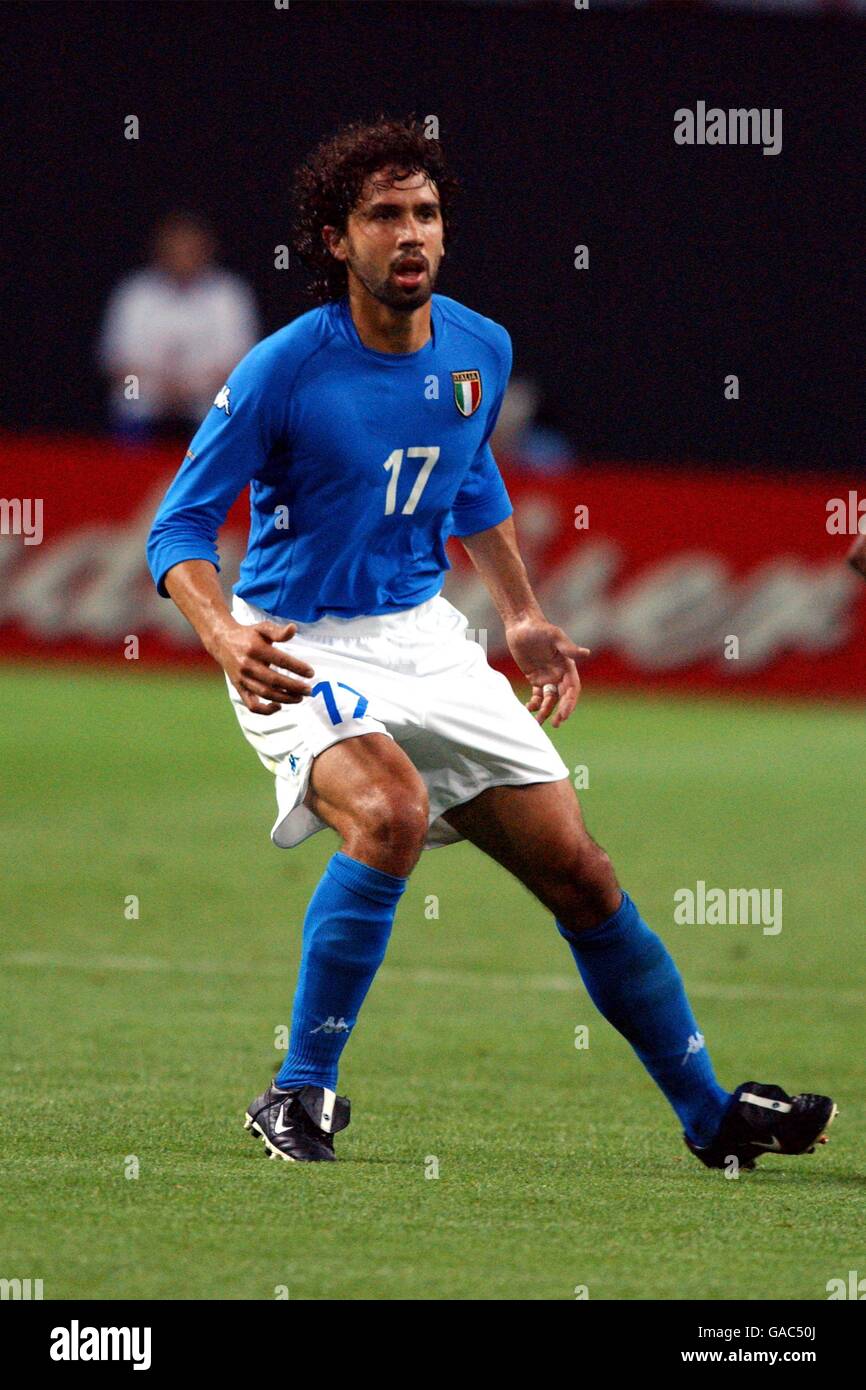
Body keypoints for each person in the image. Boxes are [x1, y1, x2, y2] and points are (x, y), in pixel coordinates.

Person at [146, 117, 835, 1169]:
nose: (409, 232)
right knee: (387, 812)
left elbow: (471, 481)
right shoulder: (284, 367)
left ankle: (707, 1112)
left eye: (424, 212)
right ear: (336, 240)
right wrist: (220, 632)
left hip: (428, 638)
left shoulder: (479, 345)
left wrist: (517, 612)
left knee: (582, 876)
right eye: (382, 214)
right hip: (300, 644)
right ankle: (297, 1090)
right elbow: (178, 527)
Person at [98, 211, 260, 442]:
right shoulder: (135, 293)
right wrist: (163, 390)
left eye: (190, 250)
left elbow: (242, 364)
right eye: (175, 250)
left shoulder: (228, 294)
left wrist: (190, 388)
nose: (183, 257)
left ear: (206, 250)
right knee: (130, 402)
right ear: (160, 251)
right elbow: (118, 363)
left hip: (207, 408)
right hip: (143, 409)